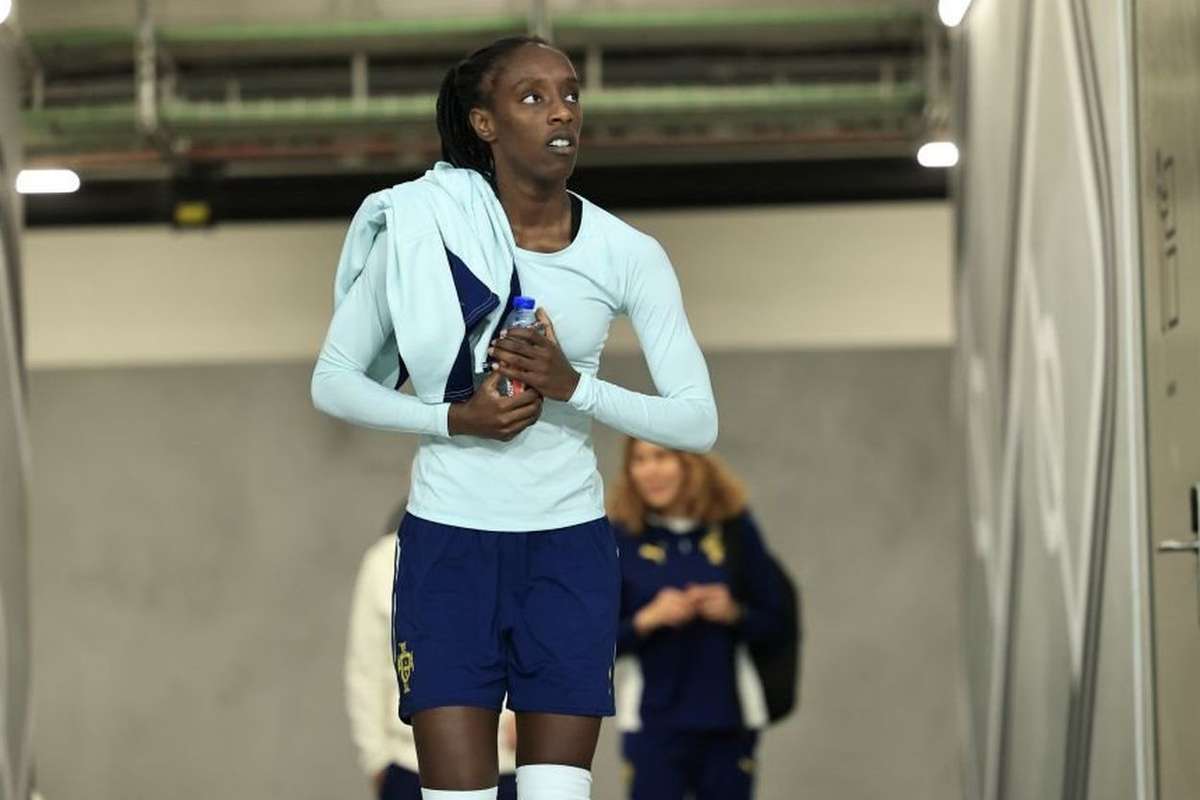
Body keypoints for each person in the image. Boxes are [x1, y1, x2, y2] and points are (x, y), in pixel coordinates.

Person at [311, 35, 717, 800]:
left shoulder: (630, 254)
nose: (560, 111)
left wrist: (574, 386)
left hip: (567, 551)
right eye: (532, 98)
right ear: (485, 123)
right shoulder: (423, 230)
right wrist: (452, 419)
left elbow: (698, 423)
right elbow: (332, 382)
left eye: (569, 94)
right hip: (448, 550)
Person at [608, 438, 790, 800]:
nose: (649, 470)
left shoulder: (735, 531)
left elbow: (777, 622)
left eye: (661, 457)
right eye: (639, 460)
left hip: (729, 720)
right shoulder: (621, 539)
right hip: (652, 722)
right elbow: (596, 643)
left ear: (690, 463)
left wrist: (732, 612)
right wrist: (648, 619)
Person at [346, 529, 519, 799]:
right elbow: (365, 672)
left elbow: (556, 639)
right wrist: (377, 761)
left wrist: (530, 716)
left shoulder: (526, 548)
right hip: (410, 767)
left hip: (508, 769)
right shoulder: (385, 560)